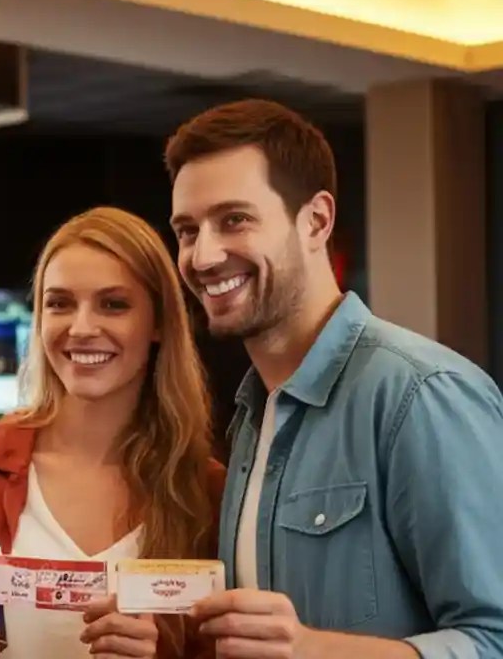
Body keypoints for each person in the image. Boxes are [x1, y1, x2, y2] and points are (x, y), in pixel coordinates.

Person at [166, 99, 503, 658]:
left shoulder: (421, 394)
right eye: (186, 229)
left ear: (316, 220)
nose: (203, 256)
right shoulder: (254, 413)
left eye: (235, 220)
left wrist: (311, 650)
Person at [0, 207, 226, 659]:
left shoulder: (205, 489)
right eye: (59, 303)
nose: (81, 329)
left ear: (159, 323)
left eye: (113, 304)